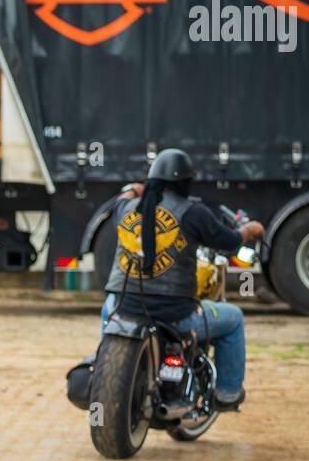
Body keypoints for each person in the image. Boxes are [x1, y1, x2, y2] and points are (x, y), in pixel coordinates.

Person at [101, 149, 265, 409]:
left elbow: (121, 197)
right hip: (175, 315)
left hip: (124, 308)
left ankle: (103, 363)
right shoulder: (193, 212)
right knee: (233, 318)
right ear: (186, 182)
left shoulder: (125, 209)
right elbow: (229, 241)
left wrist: (134, 188)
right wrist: (250, 229)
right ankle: (227, 393)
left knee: (108, 306)